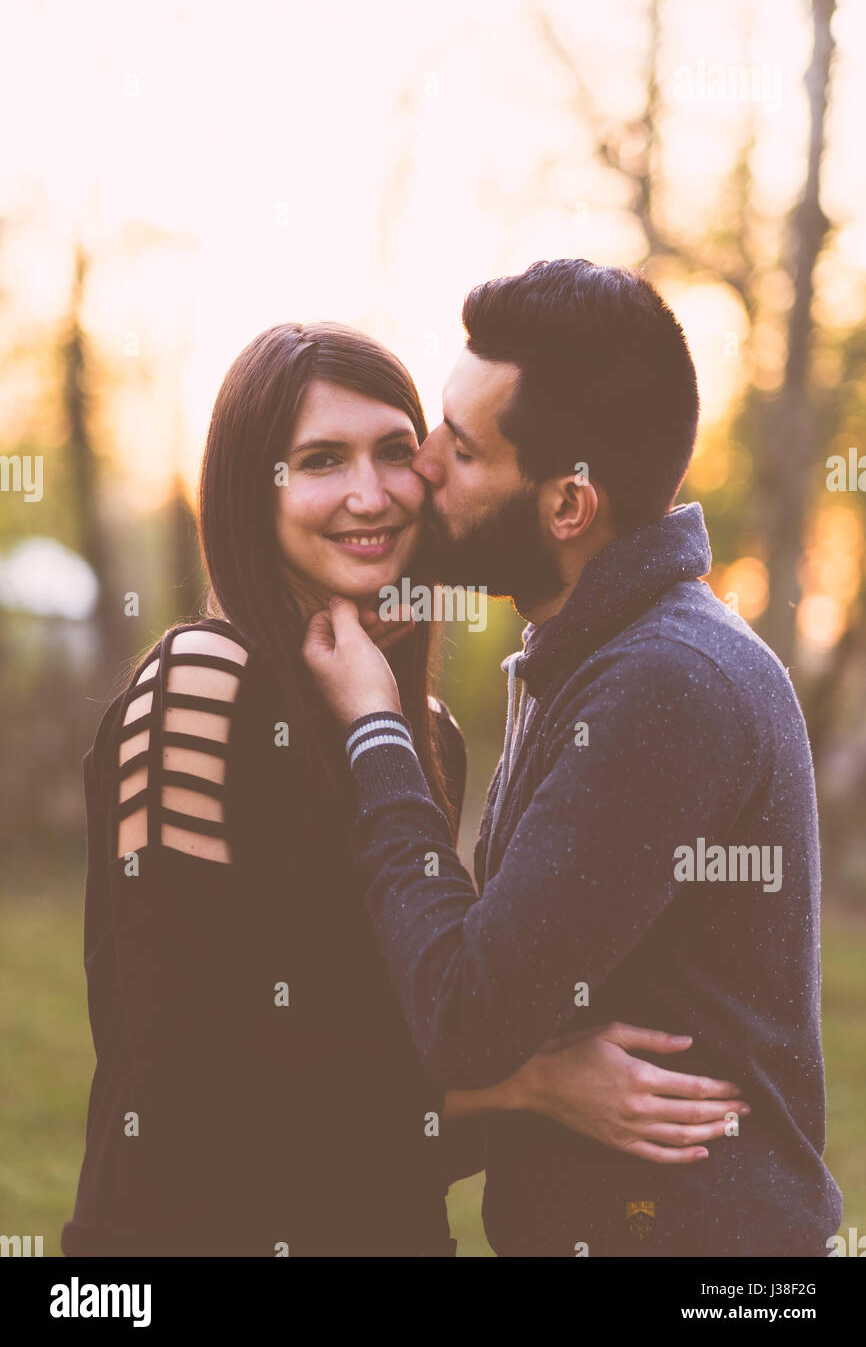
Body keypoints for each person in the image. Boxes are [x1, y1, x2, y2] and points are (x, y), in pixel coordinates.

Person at [63, 319, 743, 1259]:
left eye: (394, 451)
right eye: (320, 460)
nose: (370, 493)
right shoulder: (200, 686)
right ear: (250, 490)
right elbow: (192, 1079)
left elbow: (401, 1087)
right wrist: (527, 1084)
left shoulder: (420, 734)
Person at [302, 260, 844, 1257]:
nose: (421, 466)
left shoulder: (665, 681)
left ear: (567, 507)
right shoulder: (598, 653)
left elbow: (464, 1016)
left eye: (461, 448)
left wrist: (376, 730)